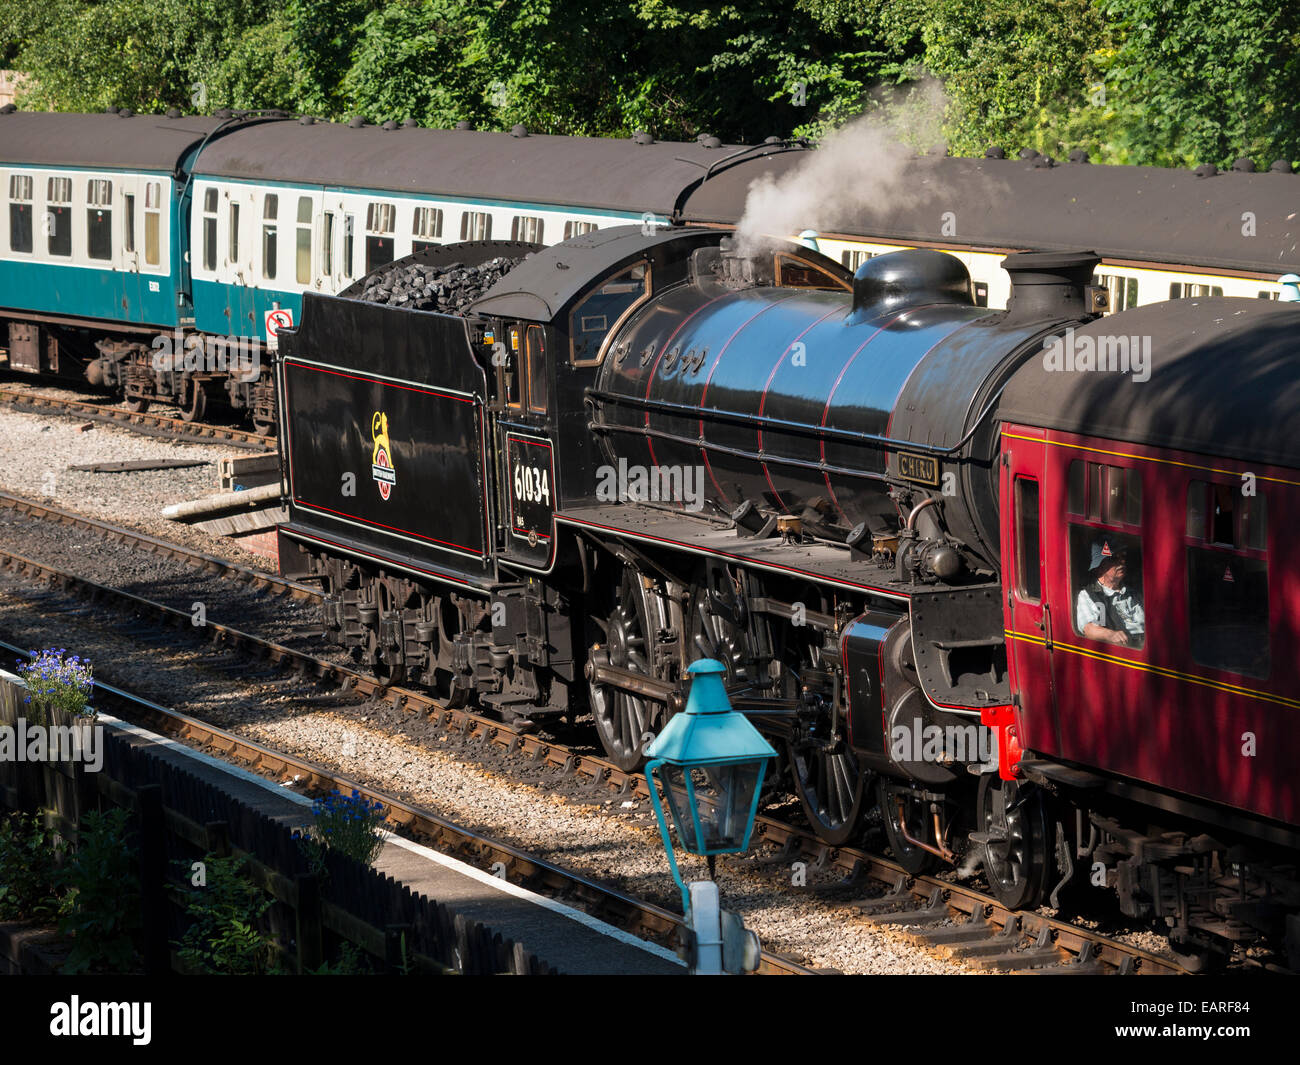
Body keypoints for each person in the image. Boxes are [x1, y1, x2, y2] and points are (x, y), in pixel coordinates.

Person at [1076, 536, 1145, 646]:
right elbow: (1089, 628)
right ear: (1099, 566)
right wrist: (1110, 635)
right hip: (1125, 651)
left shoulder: (1134, 593)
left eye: (1123, 557)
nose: (1122, 562)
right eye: (1114, 559)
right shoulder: (1089, 596)